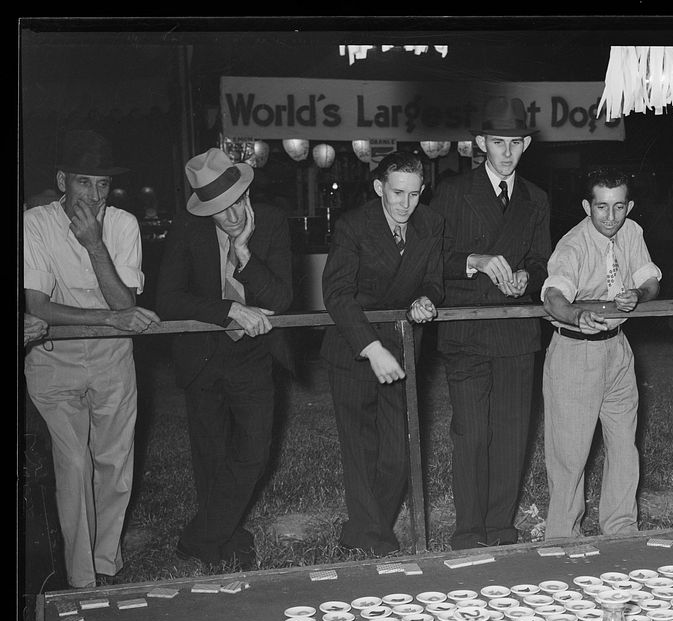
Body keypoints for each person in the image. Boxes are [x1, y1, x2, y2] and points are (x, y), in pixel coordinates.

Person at [23, 129, 160, 588]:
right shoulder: (35, 223)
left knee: (115, 464)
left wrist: (94, 244)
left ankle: (106, 565)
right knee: (74, 465)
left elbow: (126, 305)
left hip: (112, 360)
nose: (95, 195)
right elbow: (38, 307)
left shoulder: (121, 224)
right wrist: (111, 319)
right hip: (52, 357)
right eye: (84, 182)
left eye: (103, 185)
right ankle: (82, 579)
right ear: (62, 180)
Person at [156, 147, 293, 569]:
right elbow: (168, 298)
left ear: (247, 193)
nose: (232, 216)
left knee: (254, 452)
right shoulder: (186, 228)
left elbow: (283, 299)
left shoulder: (271, 222)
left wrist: (245, 253)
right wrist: (230, 309)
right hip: (203, 356)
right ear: (203, 211)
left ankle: (199, 538)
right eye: (219, 211)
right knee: (211, 457)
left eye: (236, 203)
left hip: (253, 356)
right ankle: (226, 538)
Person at [430, 96, 551, 550]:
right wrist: (474, 261)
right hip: (466, 330)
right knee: (472, 432)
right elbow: (431, 260)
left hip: (517, 332)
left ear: (526, 146)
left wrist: (528, 277)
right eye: (497, 142)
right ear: (480, 143)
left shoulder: (536, 199)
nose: (506, 152)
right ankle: (468, 529)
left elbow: (543, 262)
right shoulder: (452, 192)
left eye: (514, 143)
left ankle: (500, 526)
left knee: (512, 431)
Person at [321, 151, 444, 557]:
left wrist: (426, 299)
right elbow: (337, 293)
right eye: (397, 193)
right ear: (379, 188)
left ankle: (363, 530)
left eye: (414, 193)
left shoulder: (430, 223)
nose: (406, 203)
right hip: (356, 350)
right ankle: (377, 542)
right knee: (361, 453)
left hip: (402, 350)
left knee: (397, 457)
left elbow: (433, 280)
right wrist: (371, 348)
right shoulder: (353, 226)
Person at [541, 169, 661, 539]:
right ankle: (562, 537)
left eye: (619, 207)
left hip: (618, 350)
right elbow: (552, 296)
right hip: (575, 352)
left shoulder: (632, 232)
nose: (610, 217)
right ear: (586, 206)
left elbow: (650, 280)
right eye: (601, 207)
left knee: (625, 446)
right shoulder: (573, 245)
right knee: (571, 455)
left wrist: (638, 295)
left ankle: (622, 530)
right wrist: (576, 313)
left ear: (629, 206)